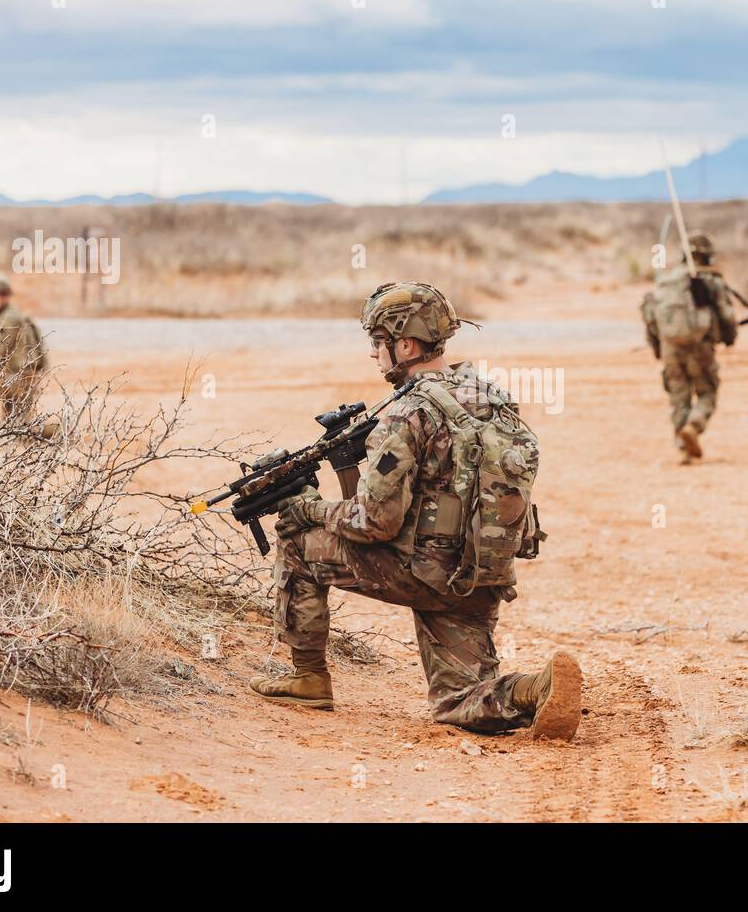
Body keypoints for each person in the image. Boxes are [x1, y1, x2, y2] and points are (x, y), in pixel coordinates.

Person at [248, 282, 582, 741]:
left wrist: (309, 509)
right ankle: (533, 689)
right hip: (478, 578)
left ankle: (308, 677)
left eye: (377, 342)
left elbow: (373, 522)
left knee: (295, 538)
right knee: (456, 701)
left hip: (424, 574)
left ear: (405, 344)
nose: (373, 354)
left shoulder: (407, 415)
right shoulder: (493, 400)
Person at [640, 230, 738, 463]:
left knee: (678, 396)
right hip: (700, 347)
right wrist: (729, 336)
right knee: (707, 391)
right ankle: (694, 426)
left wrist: (658, 348)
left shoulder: (665, 281)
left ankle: (683, 447)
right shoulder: (709, 281)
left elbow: (651, 317)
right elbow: (727, 314)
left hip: (670, 348)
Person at [0, 275, 49, 424]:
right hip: (17, 374)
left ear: (6, 297)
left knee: (17, 426)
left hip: (18, 375)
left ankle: (59, 431)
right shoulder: (4, 316)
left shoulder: (9, 318)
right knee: (13, 424)